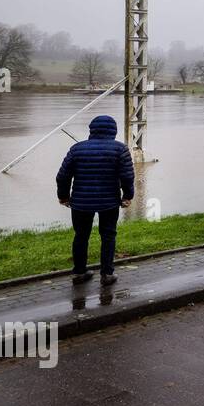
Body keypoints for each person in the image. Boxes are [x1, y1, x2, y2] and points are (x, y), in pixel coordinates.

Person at [56, 114, 135, 287]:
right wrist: (127, 196)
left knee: (81, 236)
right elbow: (127, 177)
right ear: (113, 131)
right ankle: (106, 274)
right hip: (109, 202)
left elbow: (62, 176)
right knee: (108, 236)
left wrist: (63, 196)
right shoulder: (120, 149)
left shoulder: (76, 149)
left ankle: (79, 272)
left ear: (91, 130)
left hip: (80, 202)